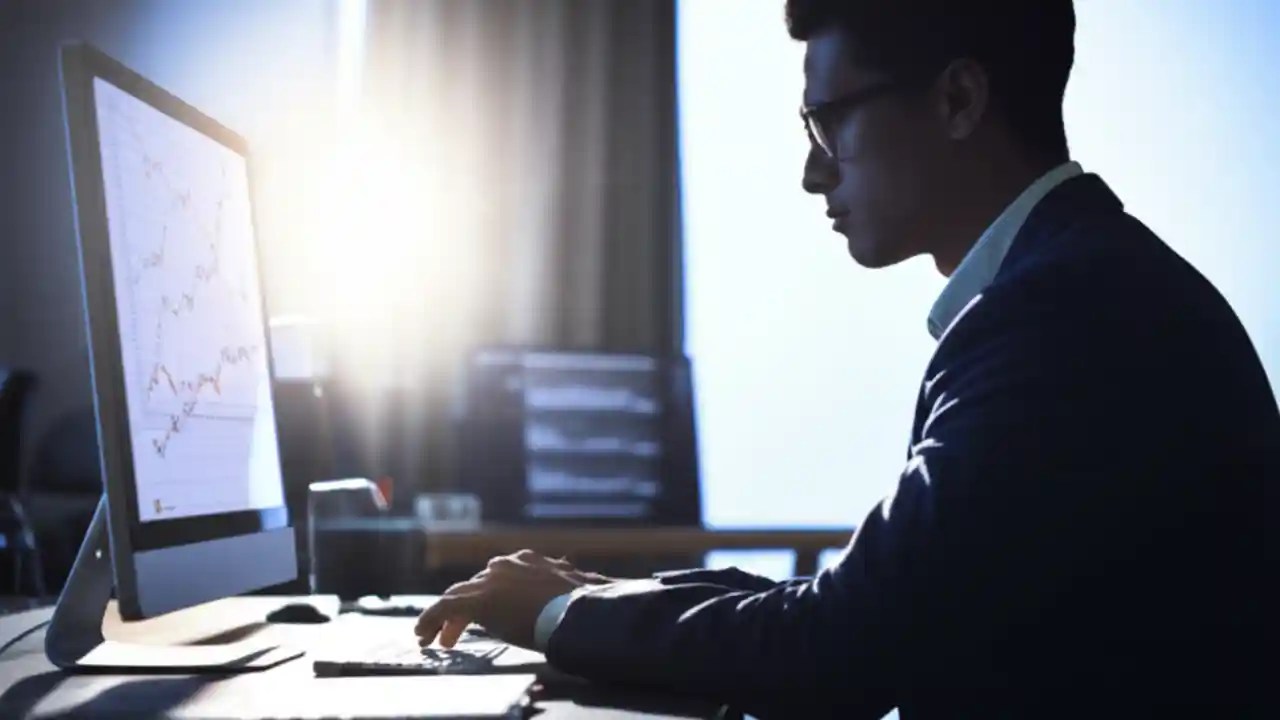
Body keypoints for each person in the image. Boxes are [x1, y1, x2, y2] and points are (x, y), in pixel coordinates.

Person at [417, 1, 1276, 716]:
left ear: (958, 100)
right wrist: (603, 597)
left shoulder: (1062, 316)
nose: (809, 174)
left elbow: (845, 653)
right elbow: (892, 602)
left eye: (826, 125)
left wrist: (561, 615)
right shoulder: (1082, 280)